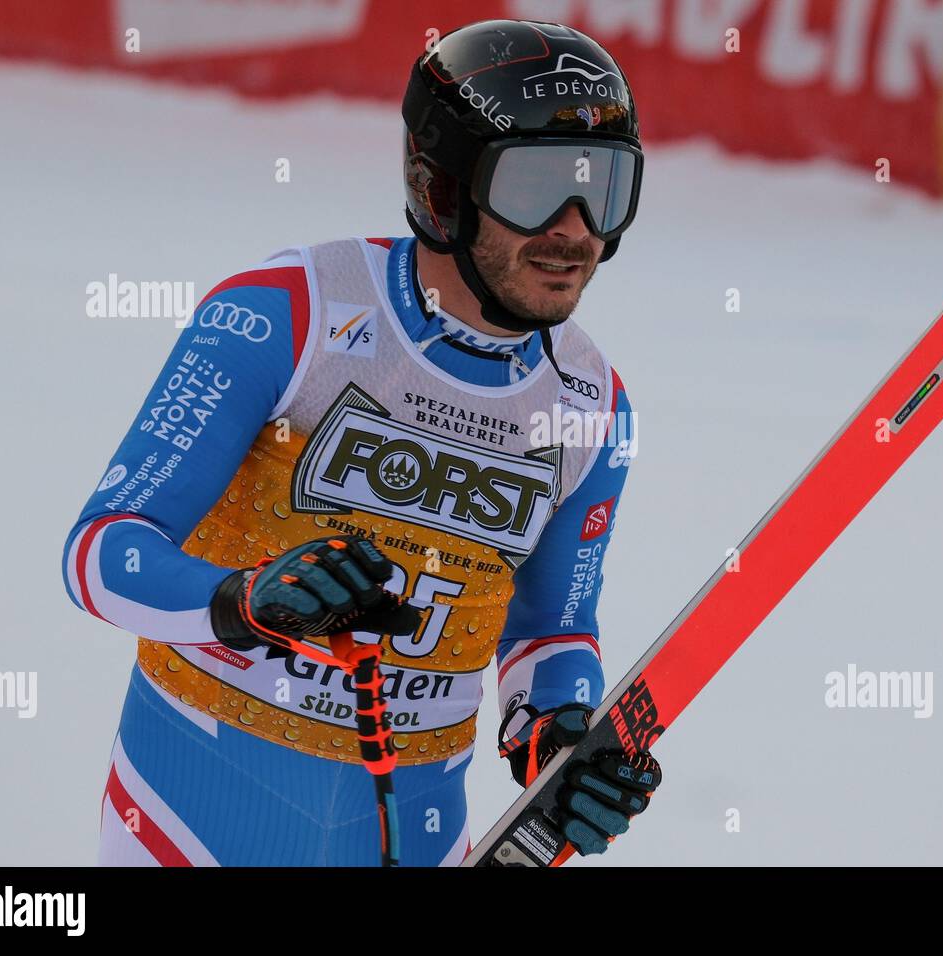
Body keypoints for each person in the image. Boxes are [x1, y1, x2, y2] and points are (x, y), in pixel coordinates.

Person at [61, 18, 660, 866]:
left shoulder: (593, 407)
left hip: (412, 838)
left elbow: (550, 632)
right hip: (191, 817)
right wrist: (242, 600)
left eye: (604, 188)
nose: (575, 231)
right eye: (534, 188)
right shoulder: (290, 312)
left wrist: (558, 744)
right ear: (442, 186)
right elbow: (100, 553)